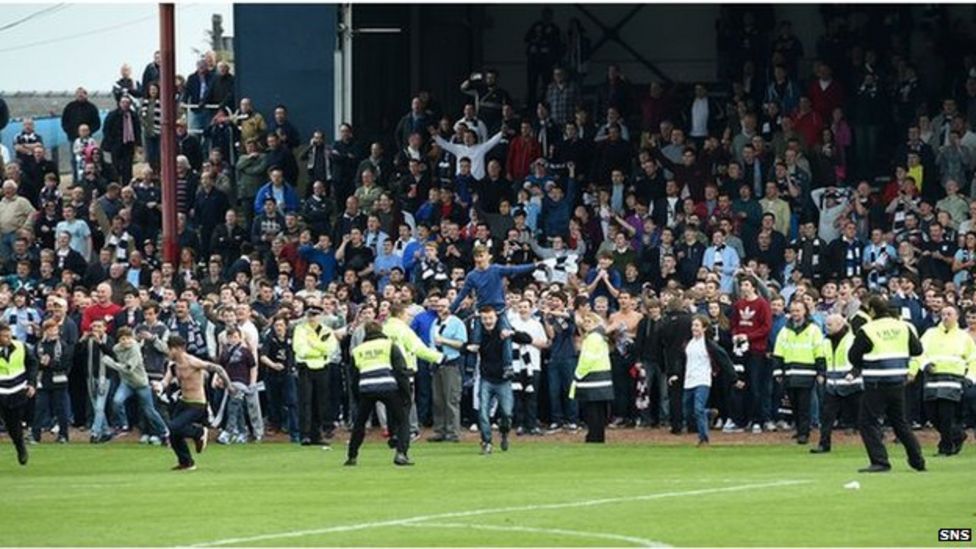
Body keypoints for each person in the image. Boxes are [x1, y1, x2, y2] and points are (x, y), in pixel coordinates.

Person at [847, 295, 926, 473]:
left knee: (868, 422)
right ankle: (917, 460)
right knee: (901, 422)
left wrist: (862, 363)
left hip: (876, 381)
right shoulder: (903, 326)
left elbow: (853, 356)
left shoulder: (868, 329)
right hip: (898, 381)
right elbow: (917, 350)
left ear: (872, 311)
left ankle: (880, 461)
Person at [159, 335, 234, 471]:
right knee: (174, 434)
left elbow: (218, 368)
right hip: (183, 402)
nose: (168, 352)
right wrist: (159, 386)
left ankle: (198, 432)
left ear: (177, 349)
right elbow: (166, 381)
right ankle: (187, 463)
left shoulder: (193, 362)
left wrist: (229, 386)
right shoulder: (173, 365)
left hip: (197, 404)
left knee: (173, 426)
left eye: (170, 349)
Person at [345, 322, 413, 466]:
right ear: (381, 330)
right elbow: (401, 371)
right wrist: (406, 394)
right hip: (388, 386)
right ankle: (401, 453)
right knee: (402, 420)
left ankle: (352, 456)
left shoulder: (358, 350)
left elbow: (353, 377)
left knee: (360, 423)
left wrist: (357, 398)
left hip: (366, 388)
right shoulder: (389, 346)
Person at [669, 315, 737, 446]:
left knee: (698, 407)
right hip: (689, 381)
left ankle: (703, 439)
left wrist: (733, 378)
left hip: (703, 380)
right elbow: (681, 361)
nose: (694, 328)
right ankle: (708, 413)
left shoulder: (709, 345)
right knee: (687, 411)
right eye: (693, 325)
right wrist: (676, 374)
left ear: (704, 328)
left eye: (697, 326)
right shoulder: (687, 344)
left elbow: (724, 360)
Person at [918, 305, 973, 456]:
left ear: (957, 317)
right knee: (931, 414)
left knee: (945, 414)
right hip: (932, 378)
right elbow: (919, 352)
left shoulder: (963, 337)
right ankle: (957, 435)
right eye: (943, 314)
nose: (945, 317)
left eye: (949, 314)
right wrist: (924, 365)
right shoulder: (930, 334)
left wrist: (970, 378)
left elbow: (973, 358)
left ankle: (945, 447)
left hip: (952, 379)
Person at [771, 300, 825, 445]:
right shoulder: (785, 330)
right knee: (794, 404)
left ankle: (804, 433)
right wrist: (777, 371)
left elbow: (819, 351)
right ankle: (801, 429)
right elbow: (778, 351)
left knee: (804, 404)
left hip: (807, 372)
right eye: (793, 311)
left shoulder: (814, 329)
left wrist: (821, 371)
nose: (795, 314)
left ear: (805, 312)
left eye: (798, 310)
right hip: (789, 372)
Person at [103, 327, 169, 444]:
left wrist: (111, 363)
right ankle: (123, 425)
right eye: (123, 339)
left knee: (149, 410)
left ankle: (165, 432)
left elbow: (129, 368)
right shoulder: (116, 349)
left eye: (128, 338)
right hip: (127, 383)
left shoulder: (135, 349)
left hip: (141, 383)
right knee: (117, 401)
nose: (126, 341)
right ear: (119, 340)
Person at [292, 304, 343, 446]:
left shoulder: (326, 331)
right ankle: (305, 434)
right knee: (305, 401)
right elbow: (301, 350)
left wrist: (314, 344)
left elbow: (330, 349)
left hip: (322, 367)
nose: (312, 318)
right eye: (310, 315)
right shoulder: (300, 330)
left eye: (315, 315)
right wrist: (319, 350)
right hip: (306, 367)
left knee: (321, 402)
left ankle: (317, 434)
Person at [811, 314, 861, 454]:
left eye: (829, 325)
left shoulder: (852, 340)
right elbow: (822, 359)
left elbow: (860, 360)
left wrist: (853, 373)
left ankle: (877, 438)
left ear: (840, 325)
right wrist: (822, 374)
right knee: (827, 417)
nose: (826, 327)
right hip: (832, 386)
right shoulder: (825, 341)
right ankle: (823, 444)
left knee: (863, 416)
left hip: (852, 386)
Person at [474, 306, 513, 454]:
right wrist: (468, 347)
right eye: (484, 318)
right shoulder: (479, 334)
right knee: (483, 411)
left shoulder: (503, 331)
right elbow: (468, 346)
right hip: (486, 378)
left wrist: (511, 333)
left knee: (507, 413)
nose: (488, 321)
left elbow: (526, 338)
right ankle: (487, 441)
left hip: (503, 379)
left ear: (496, 318)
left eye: (490, 318)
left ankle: (504, 433)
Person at [428, 297, 467, 442]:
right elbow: (431, 343)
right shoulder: (435, 323)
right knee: (438, 399)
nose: (440, 309)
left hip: (451, 363)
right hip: (437, 363)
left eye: (443, 306)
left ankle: (453, 432)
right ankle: (440, 430)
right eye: (438, 306)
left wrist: (444, 341)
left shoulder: (456, 323)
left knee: (451, 399)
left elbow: (461, 343)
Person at [571, 312, 613, 443]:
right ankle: (598, 436)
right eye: (585, 321)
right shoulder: (600, 336)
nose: (586, 324)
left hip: (592, 378)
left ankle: (593, 437)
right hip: (602, 377)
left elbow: (587, 359)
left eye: (590, 321)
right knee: (599, 410)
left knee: (593, 411)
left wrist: (578, 375)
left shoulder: (592, 337)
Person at [0, 322, 37, 464]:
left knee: (13, 425)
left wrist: (31, 383)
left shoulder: (21, 347)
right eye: (4, 336)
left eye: (9, 335)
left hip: (16, 390)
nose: (8, 338)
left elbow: (32, 363)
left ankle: (20, 447)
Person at [31, 319, 71, 443]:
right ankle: (35, 435)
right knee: (39, 408)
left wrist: (50, 363)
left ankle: (63, 435)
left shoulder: (62, 345)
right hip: (43, 381)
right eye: (49, 329)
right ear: (45, 331)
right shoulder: (39, 345)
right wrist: (41, 364)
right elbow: (33, 363)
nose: (52, 332)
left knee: (61, 410)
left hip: (59, 382)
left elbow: (66, 364)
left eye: (55, 329)